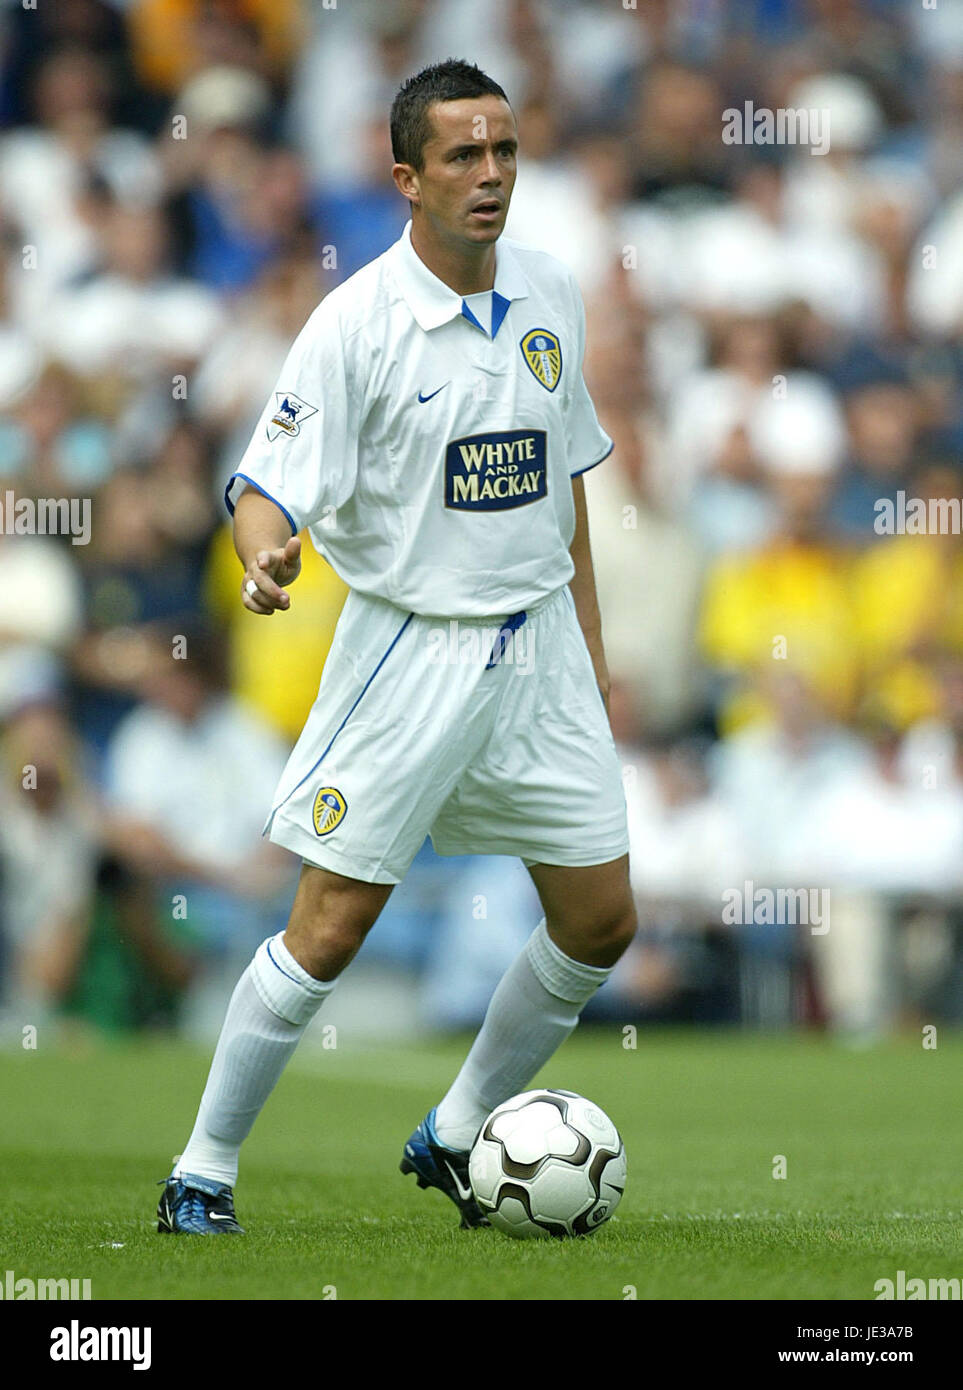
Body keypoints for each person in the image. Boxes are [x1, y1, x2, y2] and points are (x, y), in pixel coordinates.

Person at [156, 59, 636, 1236]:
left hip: (541, 651)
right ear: (405, 179)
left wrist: (592, 645)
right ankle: (202, 1170)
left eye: (506, 151)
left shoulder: (550, 292)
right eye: (465, 157)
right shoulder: (353, 322)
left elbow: (565, 484)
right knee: (330, 925)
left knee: (601, 921)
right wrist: (262, 553)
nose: (492, 176)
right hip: (411, 649)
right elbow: (264, 485)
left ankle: (462, 1125)